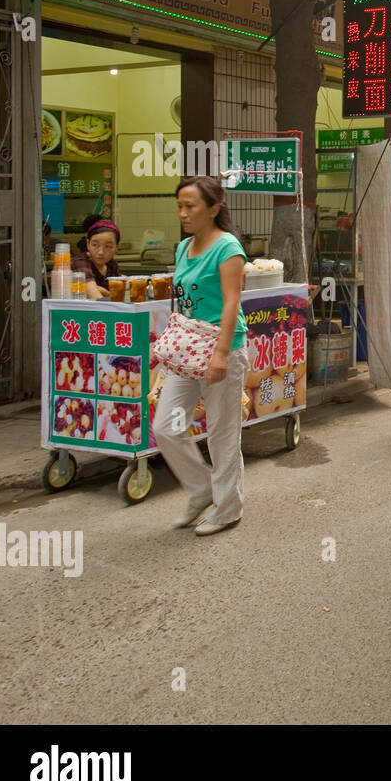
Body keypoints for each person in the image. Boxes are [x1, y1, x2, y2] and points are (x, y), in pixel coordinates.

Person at [158, 176, 249, 536]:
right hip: (187, 351)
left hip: (222, 348)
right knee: (166, 426)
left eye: (190, 206)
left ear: (213, 208)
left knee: (221, 434)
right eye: (179, 205)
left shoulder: (228, 248)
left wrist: (221, 355)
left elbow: (231, 302)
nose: (183, 212)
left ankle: (228, 509)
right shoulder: (183, 248)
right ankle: (201, 491)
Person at [71, 217, 122, 299]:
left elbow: (118, 296)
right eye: (95, 245)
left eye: (108, 246)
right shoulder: (80, 262)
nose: (101, 252)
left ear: (116, 247)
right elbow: (95, 297)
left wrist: (104, 292)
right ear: (88, 244)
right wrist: (106, 293)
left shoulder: (112, 265)